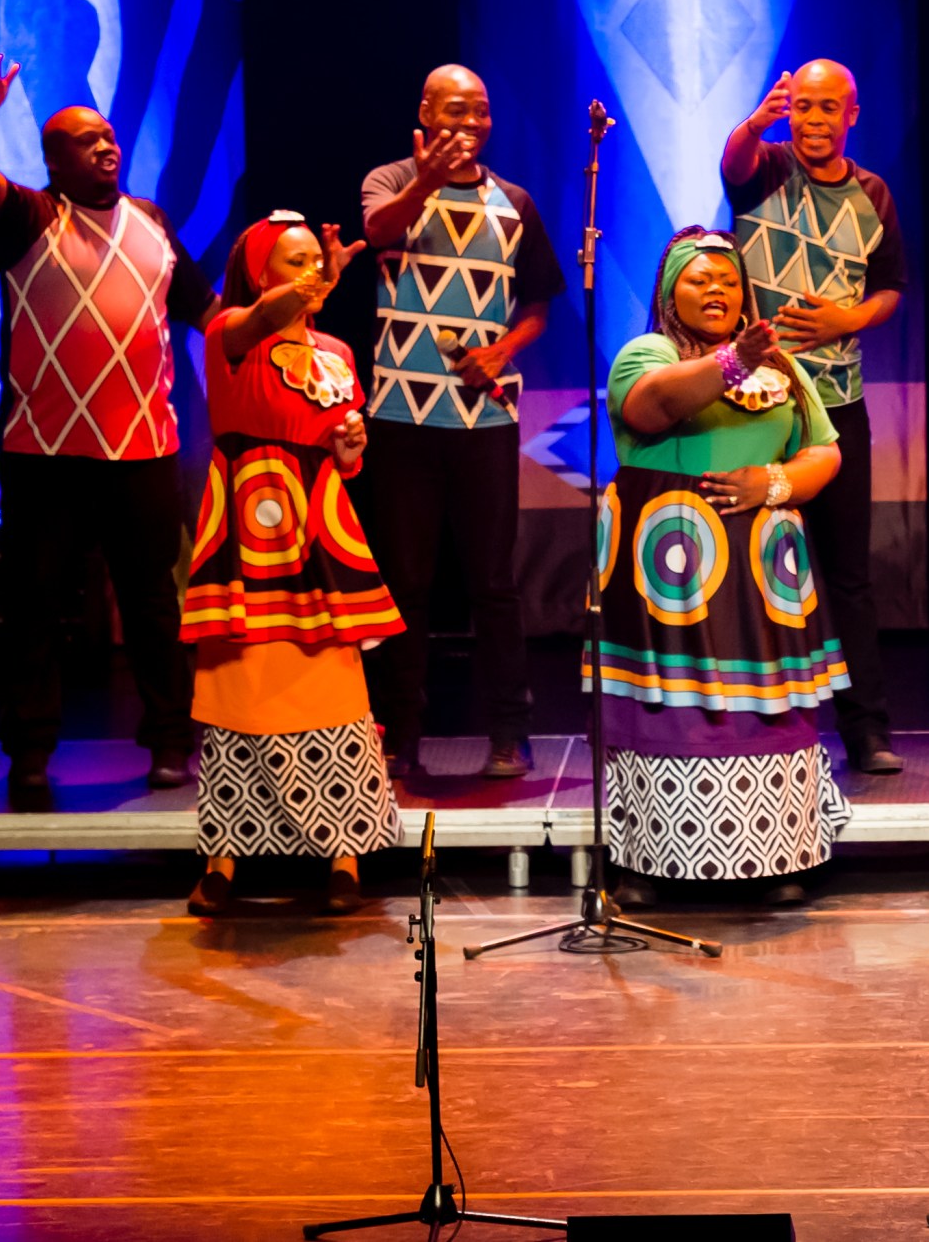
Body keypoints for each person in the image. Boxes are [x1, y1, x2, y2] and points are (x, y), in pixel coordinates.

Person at [0, 57, 217, 809]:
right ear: (52, 161)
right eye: (84, 139)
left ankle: (171, 740)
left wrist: (289, 302)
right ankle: (32, 755)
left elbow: (210, 314)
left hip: (142, 451)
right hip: (44, 453)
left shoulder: (153, 224)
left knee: (152, 605)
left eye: (107, 135)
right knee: (35, 606)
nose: (105, 145)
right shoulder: (27, 220)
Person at [595, 229, 851, 908]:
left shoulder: (780, 368)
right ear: (669, 290)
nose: (718, 290)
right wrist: (732, 361)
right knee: (672, 700)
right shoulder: (647, 352)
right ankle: (649, 860)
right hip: (671, 563)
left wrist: (771, 481)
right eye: (701, 279)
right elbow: (651, 405)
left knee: (760, 703)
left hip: (761, 566)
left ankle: (773, 851)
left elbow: (824, 452)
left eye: (730, 281)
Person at [180, 213, 404, 916]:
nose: (311, 270)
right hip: (251, 517)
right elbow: (265, 317)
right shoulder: (229, 333)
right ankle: (223, 858)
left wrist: (350, 446)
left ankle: (343, 855)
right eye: (294, 260)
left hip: (318, 522)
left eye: (316, 258)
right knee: (237, 682)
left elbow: (346, 454)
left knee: (332, 683)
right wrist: (321, 279)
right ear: (259, 274)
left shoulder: (335, 351)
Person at [359, 66, 565, 780]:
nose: (471, 121)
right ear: (423, 111)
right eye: (456, 109)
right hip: (399, 415)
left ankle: (510, 731)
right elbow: (378, 228)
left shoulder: (514, 202)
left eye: (480, 109)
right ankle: (398, 734)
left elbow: (539, 300)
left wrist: (503, 349)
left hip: (485, 415)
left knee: (492, 581)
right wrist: (426, 178)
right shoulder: (388, 180)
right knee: (405, 581)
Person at [723, 59, 910, 775]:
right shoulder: (765, 166)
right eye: (803, 107)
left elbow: (891, 286)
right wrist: (755, 121)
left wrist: (847, 318)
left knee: (848, 575)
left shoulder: (873, 193)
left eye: (828, 108)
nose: (814, 120)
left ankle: (866, 730)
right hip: (757, 404)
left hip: (837, 406)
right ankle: (759, 721)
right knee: (753, 566)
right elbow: (733, 161)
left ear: (851, 115)